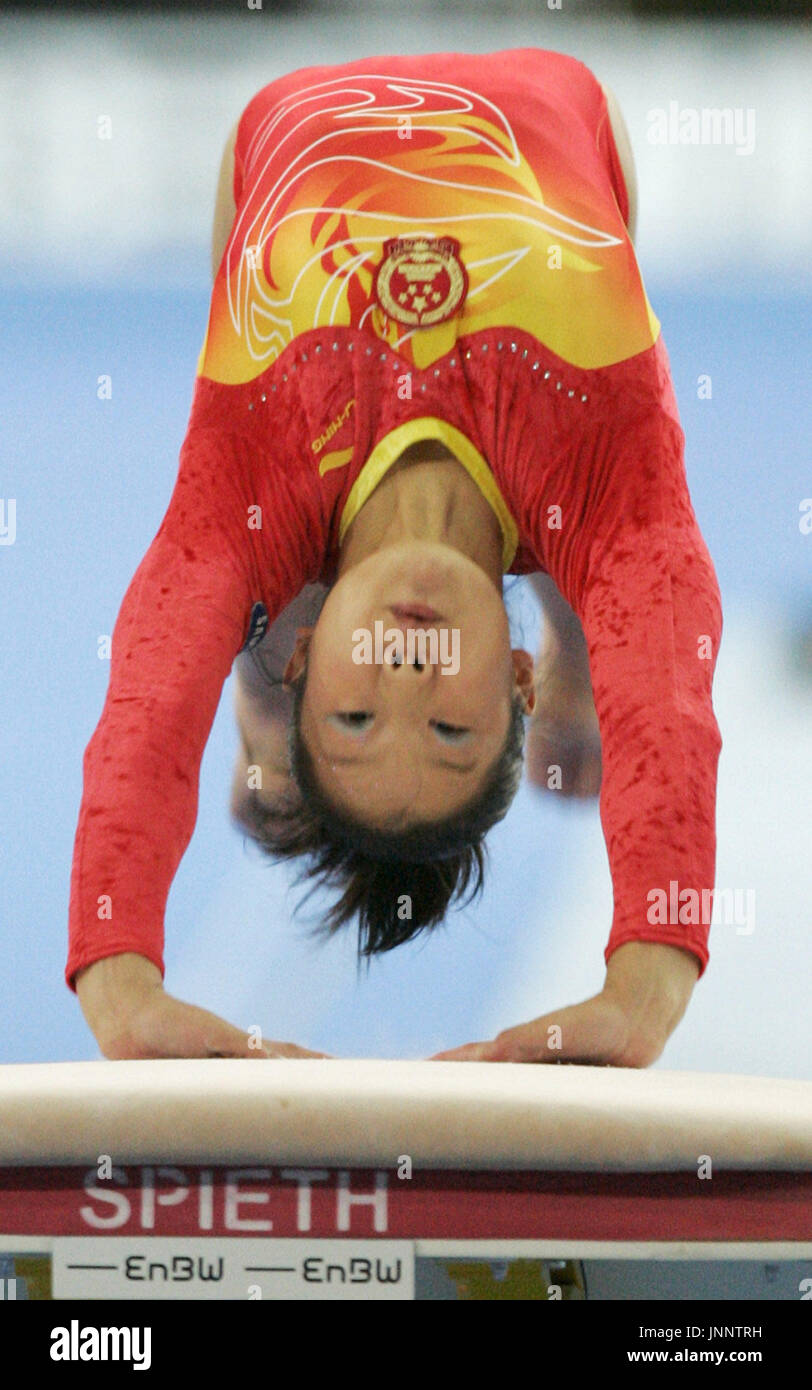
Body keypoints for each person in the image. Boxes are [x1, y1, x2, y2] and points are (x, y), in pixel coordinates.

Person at [69, 48, 722, 1067]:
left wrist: (119, 979)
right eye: (452, 726)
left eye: (356, 715)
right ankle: (574, 661)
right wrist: (642, 988)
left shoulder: (251, 481)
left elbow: (145, 715)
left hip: (271, 134)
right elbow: (670, 712)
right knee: (624, 587)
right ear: (513, 680)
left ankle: (269, 691)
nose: (409, 675)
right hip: (571, 114)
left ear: (302, 668)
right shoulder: (607, 467)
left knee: (213, 590)